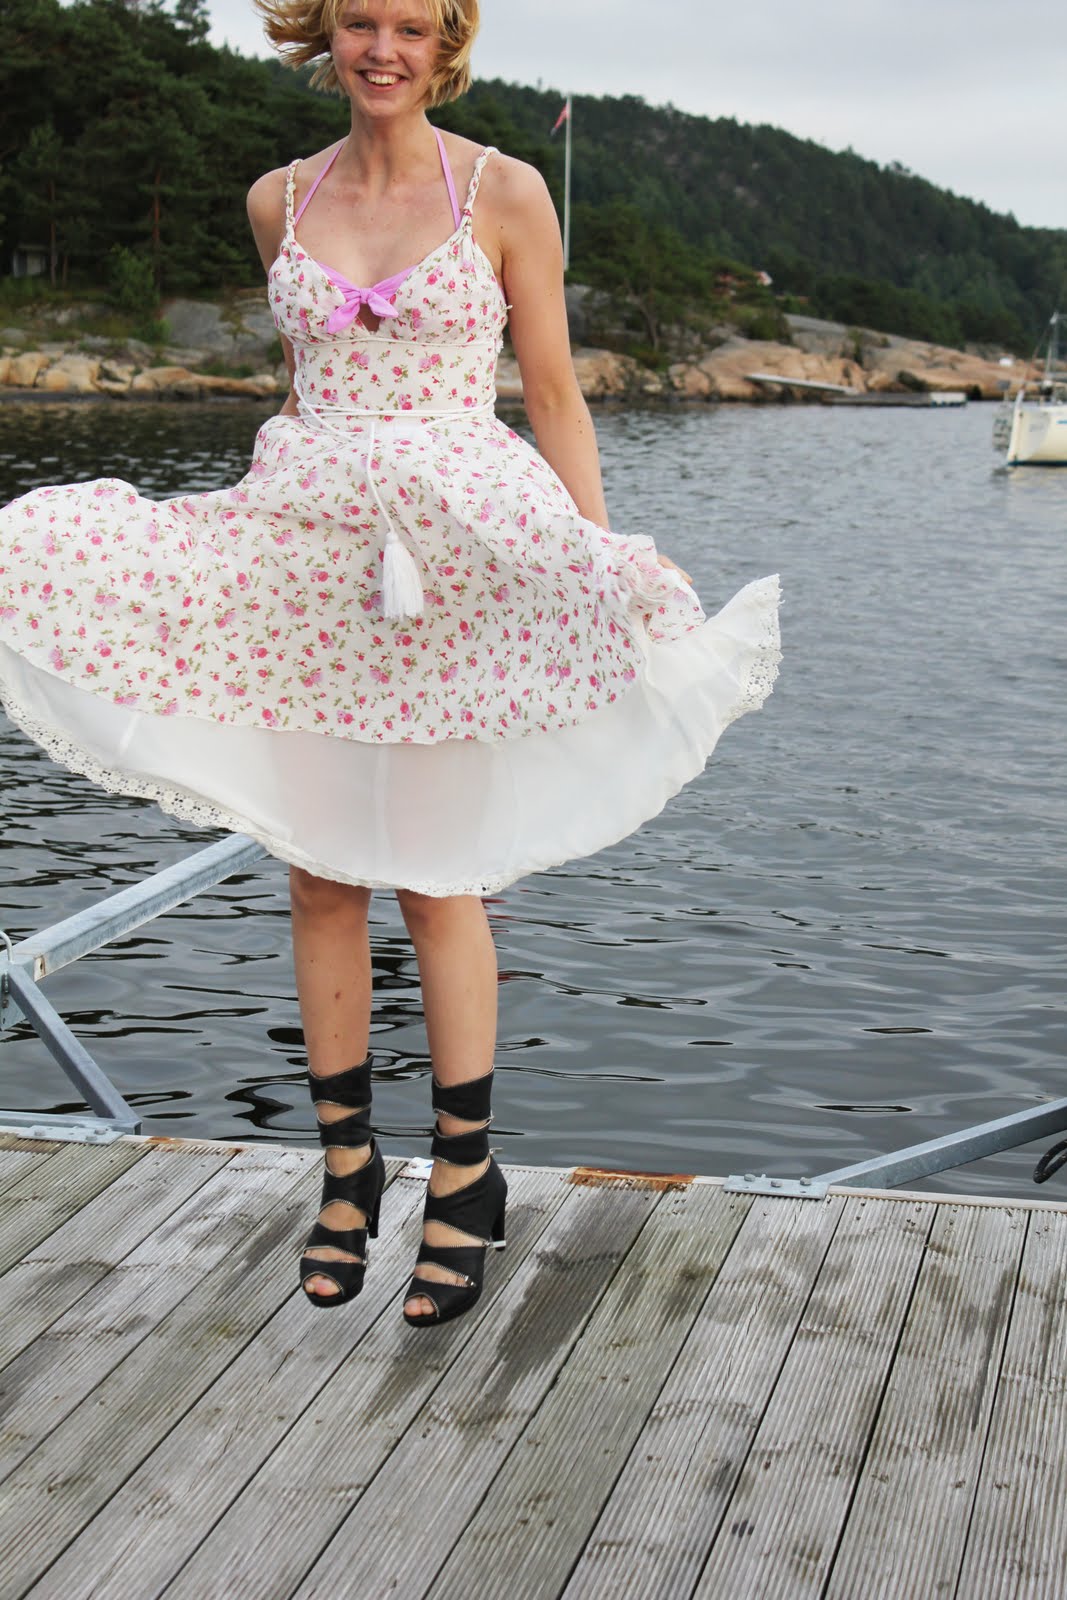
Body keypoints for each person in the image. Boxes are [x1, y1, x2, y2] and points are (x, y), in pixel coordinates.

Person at [0, 0, 780, 1328]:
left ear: (446, 44)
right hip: (307, 557)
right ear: (325, 32)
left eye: (412, 28)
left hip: (456, 571)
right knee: (317, 877)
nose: (383, 48)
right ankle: (348, 1171)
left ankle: (465, 1175)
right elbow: (306, 393)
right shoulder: (276, 201)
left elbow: (550, 389)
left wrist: (595, 564)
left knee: (433, 877)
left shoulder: (505, 189)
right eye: (361, 20)